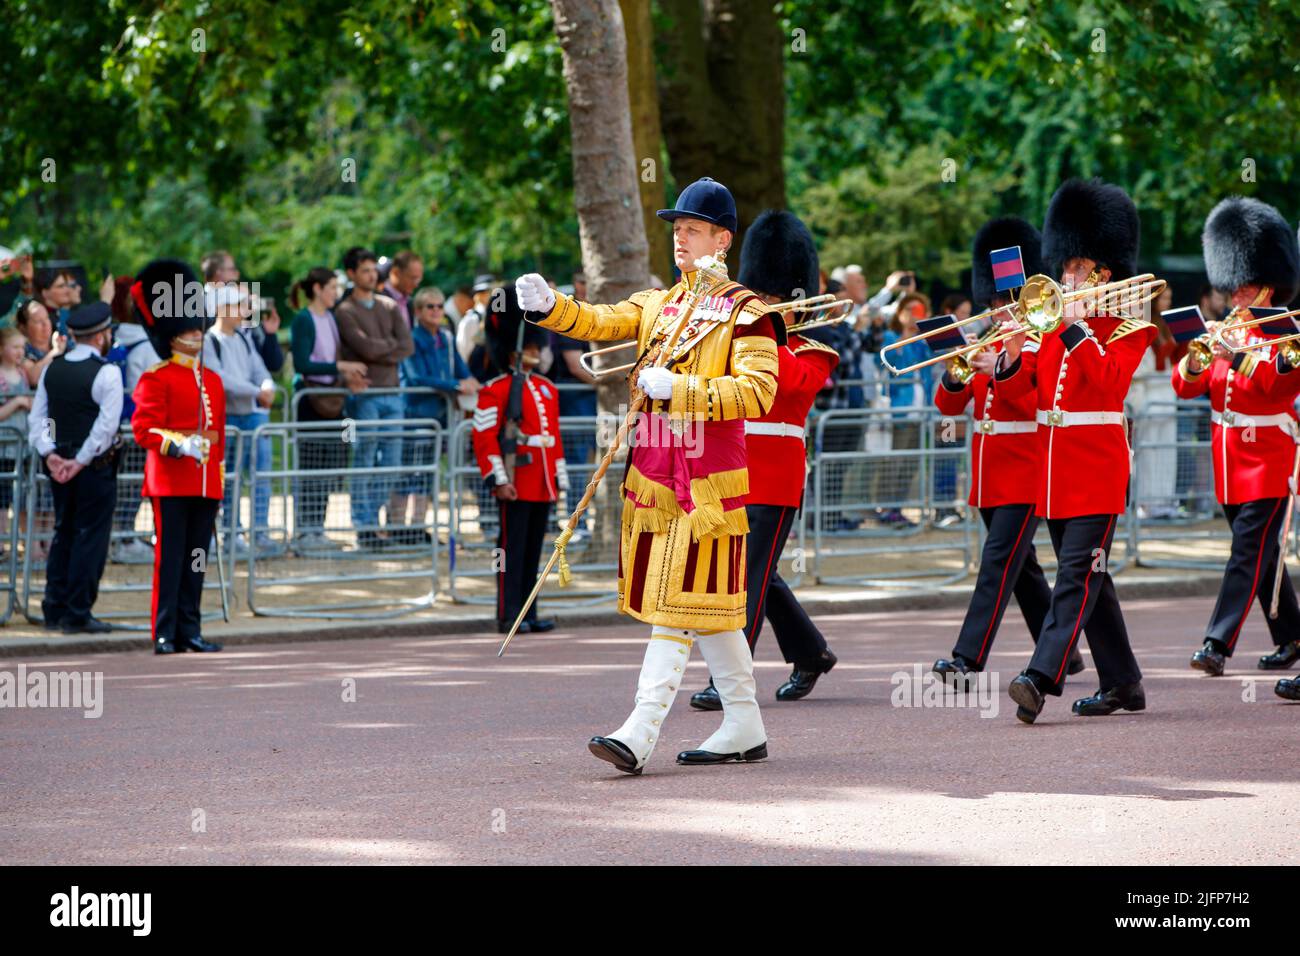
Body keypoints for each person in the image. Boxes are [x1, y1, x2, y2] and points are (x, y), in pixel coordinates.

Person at [516, 176, 781, 773]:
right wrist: (550, 304)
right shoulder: (662, 303)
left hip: (707, 479)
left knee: (675, 604)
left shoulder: (748, 313)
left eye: (691, 229)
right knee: (705, 606)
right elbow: (601, 321)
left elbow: (761, 392)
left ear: (722, 239)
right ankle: (744, 723)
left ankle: (640, 729)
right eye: (677, 229)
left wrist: (682, 389)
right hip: (658, 472)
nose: (679, 239)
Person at [995, 178, 1156, 724]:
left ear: (1103, 273)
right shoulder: (1050, 330)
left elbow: (1109, 384)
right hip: (1053, 472)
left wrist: (1073, 330)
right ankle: (1124, 683)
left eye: (1076, 268)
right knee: (1094, 577)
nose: (1066, 277)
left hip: (1096, 469)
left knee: (1075, 577)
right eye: (1066, 267)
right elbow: (1022, 398)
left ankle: (1040, 676)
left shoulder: (1128, 329)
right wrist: (1012, 355)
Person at [689, 210, 840, 711]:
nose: (766, 307)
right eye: (762, 298)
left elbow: (789, 386)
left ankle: (729, 680)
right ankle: (812, 652)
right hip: (729, 473)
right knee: (757, 575)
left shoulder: (815, 350)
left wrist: (767, 333)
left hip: (776, 481)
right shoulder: (737, 343)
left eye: (775, 300)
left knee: (747, 581)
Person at [931, 217, 1084, 683]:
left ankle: (967, 659)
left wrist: (1005, 362)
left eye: (1005, 301)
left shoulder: (1039, 344)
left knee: (995, 567)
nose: (998, 309)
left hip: (1026, 473)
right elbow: (948, 406)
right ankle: (1065, 656)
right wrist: (957, 372)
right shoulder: (986, 340)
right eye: (994, 301)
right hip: (989, 475)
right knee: (1024, 572)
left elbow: (1030, 399)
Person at [1173, 197, 1300, 677]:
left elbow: (1275, 385)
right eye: (1233, 290)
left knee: (1246, 555)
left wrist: (1231, 353)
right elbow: (1187, 387)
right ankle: (1291, 635)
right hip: (1229, 463)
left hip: (1269, 460)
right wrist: (1198, 355)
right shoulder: (1225, 330)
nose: (1236, 298)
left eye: (1244, 289)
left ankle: (1217, 643)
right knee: (1264, 557)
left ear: (1267, 288)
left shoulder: (1285, 334)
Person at [130, 259, 226, 653]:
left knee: (197, 560)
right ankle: (165, 631)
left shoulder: (214, 381)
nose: (197, 335)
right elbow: (143, 428)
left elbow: (217, 436)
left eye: (197, 328)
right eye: (188, 329)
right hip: (170, 481)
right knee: (170, 561)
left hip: (206, 484)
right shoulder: (157, 377)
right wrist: (178, 443)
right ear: (171, 337)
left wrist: (217, 475)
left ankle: (191, 628)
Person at [472, 287, 566, 633]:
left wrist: (560, 481)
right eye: (529, 348)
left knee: (532, 555)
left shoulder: (546, 389)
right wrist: (499, 479)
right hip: (516, 480)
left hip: (541, 483)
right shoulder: (494, 390)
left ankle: (528, 611)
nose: (536, 353)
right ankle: (507, 613)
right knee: (509, 553)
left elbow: (553, 441)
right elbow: (483, 439)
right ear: (515, 352)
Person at [28, 301, 123, 633]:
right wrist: (79, 461)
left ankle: (54, 607)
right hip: (92, 466)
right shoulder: (107, 372)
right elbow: (105, 426)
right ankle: (77, 611)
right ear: (100, 337)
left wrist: (51, 453)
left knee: (63, 532)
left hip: (59, 464)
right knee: (89, 538)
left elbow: (41, 418)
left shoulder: (53, 369)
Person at [334, 247, 414, 550]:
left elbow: (406, 346)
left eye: (372, 269)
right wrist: (386, 349)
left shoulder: (389, 306)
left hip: (393, 393)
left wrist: (379, 349)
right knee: (364, 459)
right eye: (364, 270)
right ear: (352, 274)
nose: (371, 275)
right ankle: (364, 525)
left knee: (392, 462)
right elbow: (362, 348)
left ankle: (374, 520)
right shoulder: (345, 311)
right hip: (364, 395)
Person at [288, 266, 368, 551]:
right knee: (309, 465)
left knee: (327, 465)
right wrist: (339, 367)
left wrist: (346, 376)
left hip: (332, 401)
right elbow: (302, 364)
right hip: (310, 401)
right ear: (318, 289)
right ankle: (305, 530)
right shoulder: (303, 320)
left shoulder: (331, 318)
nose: (336, 292)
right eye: (332, 287)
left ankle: (317, 528)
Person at [394, 286, 479, 543]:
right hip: (416, 414)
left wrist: (470, 381)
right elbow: (415, 377)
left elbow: (462, 371)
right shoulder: (410, 339)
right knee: (409, 471)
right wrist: (454, 385)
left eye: (440, 306)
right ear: (418, 311)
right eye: (429, 307)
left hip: (442, 416)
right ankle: (397, 526)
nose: (435, 311)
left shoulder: (446, 338)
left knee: (429, 473)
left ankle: (417, 527)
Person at [204, 284, 277, 555]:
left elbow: (260, 369)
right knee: (228, 478)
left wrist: (266, 387)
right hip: (229, 418)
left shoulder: (243, 338)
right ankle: (231, 531)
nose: (242, 312)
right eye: (236, 306)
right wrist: (257, 391)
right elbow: (220, 378)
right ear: (221, 309)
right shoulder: (210, 341)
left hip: (252, 415)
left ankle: (260, 530)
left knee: (261, 475)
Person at [201, 249, 284, 374]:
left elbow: (273, 364)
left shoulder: (246, 314)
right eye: (233, 269)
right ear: (219, 273)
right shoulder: (201, 306)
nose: (237, 274)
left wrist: (270, 334)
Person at [0, 327, 33, 551]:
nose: (20, 352)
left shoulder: (22, 374)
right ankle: (2, 542)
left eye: (22, 347)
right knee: (2, 499)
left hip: (23, 446)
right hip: (5, 446)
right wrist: (18, 402)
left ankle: (23, 542)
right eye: (15, 347)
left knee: (21, 495)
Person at [17, 298, 64, 388]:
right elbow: (34, 378)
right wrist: (55, 352)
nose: (45, 324)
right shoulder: (21, 350)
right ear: (23, 327)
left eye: (47, 318)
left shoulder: (64, 342)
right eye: (38, 321)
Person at [457, 274, 497, 375]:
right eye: (486, 292)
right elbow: (463, 353)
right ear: (477, 296)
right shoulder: (471, 320)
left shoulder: (498, 317)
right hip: (477, 377)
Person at [382, 250, 424, 329]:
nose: (416, 284)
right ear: (396, 272)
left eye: (419, 279)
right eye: (412, 278)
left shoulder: (409, 303)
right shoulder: (380, 300)